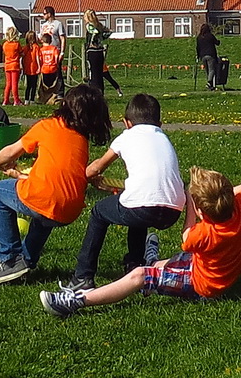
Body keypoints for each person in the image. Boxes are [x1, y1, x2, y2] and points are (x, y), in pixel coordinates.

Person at [39, 166, 241, 318]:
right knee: (162, 266)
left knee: (141, 275)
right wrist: (226, 196)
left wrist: (190, 201)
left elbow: (187, 236)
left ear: (200, 211)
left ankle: (75, 301)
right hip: (213, 269)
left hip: (203, 286)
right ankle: (153, 262)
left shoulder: (203, 234)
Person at [0, 84, 111, 284]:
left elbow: (10, 151)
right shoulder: (81, 140)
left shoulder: (48, 125)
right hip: (70, 210)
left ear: (65, 105)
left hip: (45, 197)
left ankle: (8, 259)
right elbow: (57, 172)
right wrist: (18, 174)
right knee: (44, 216)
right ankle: (26, 261)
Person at [67, 93, 184, 291]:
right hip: (174, 209)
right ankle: (135, 265)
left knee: (98, 213)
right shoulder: (163, 137)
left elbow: (96, 168)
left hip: (143, 205)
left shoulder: (127, 136)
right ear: (160, 124)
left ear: (126, 123)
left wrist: (77, 177)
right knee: (136, 211)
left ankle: (82, 275)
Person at [82, 9, 120, 95]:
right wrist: (104, 35)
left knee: (93, 72)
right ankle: (101, 91)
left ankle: (94, 92)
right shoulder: (99, 25)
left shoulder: (89, 26)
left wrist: (95, 36)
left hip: (92, 50)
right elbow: (106, 33)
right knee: (100, 73)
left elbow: (95, 32)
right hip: (100, 51)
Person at [1, 27, 24, 105]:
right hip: (14, 65)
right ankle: (16, 100)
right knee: (14, 84)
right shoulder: (17, 44)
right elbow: (21, 53)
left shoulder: (5, 45)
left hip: (7, 65)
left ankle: (5, 100)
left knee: (8, 84)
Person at [196, 21, 221, 91]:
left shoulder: (199, 37)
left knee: (207, 70)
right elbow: (217, 42)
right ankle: (209, 82)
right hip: (211, 55)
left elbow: (198, 47)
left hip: (203, 56)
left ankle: (210, 85)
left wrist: (198, 56)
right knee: (212, 70)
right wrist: (219, 41)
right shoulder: (210, 36)